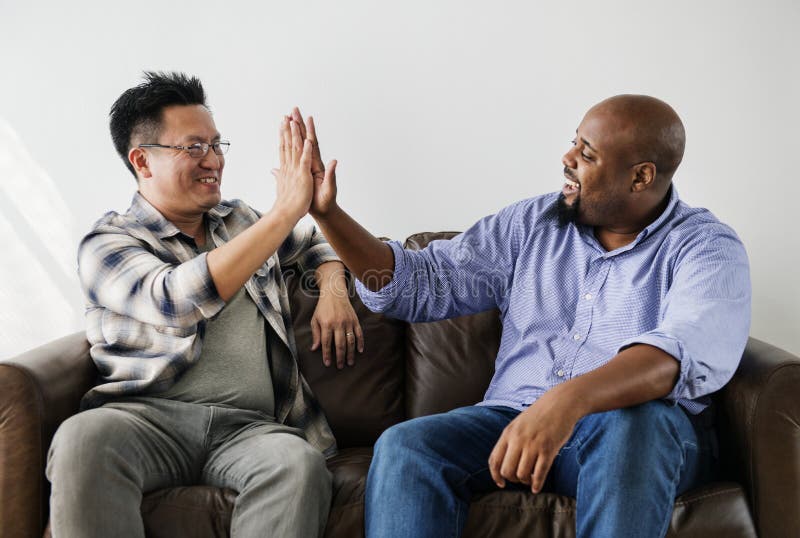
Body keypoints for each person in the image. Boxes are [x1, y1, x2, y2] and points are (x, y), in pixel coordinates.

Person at [302, 95, 752, 537]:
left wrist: (566, 401)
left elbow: (679, 351)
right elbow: (417, 284)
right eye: (574, 142)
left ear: (641, 178)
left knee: (634, 423)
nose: (568, 157)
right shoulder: (532, 223)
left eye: (587, 153)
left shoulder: (706, 247)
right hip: (512, 420)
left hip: (637, 434)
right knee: (406, 447)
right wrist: (329, 215)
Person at [45, 72, 363, 538]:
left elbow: (318, 244)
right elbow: (175, 301)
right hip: (145, 420)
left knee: (298, 463)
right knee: (81, 439)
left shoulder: (241, 221)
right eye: (194, 148)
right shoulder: (108, 244)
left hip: (251, 429)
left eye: (217, 145)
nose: (213, 160)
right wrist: (282, 214)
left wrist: (333, 290)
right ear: (143, 161)